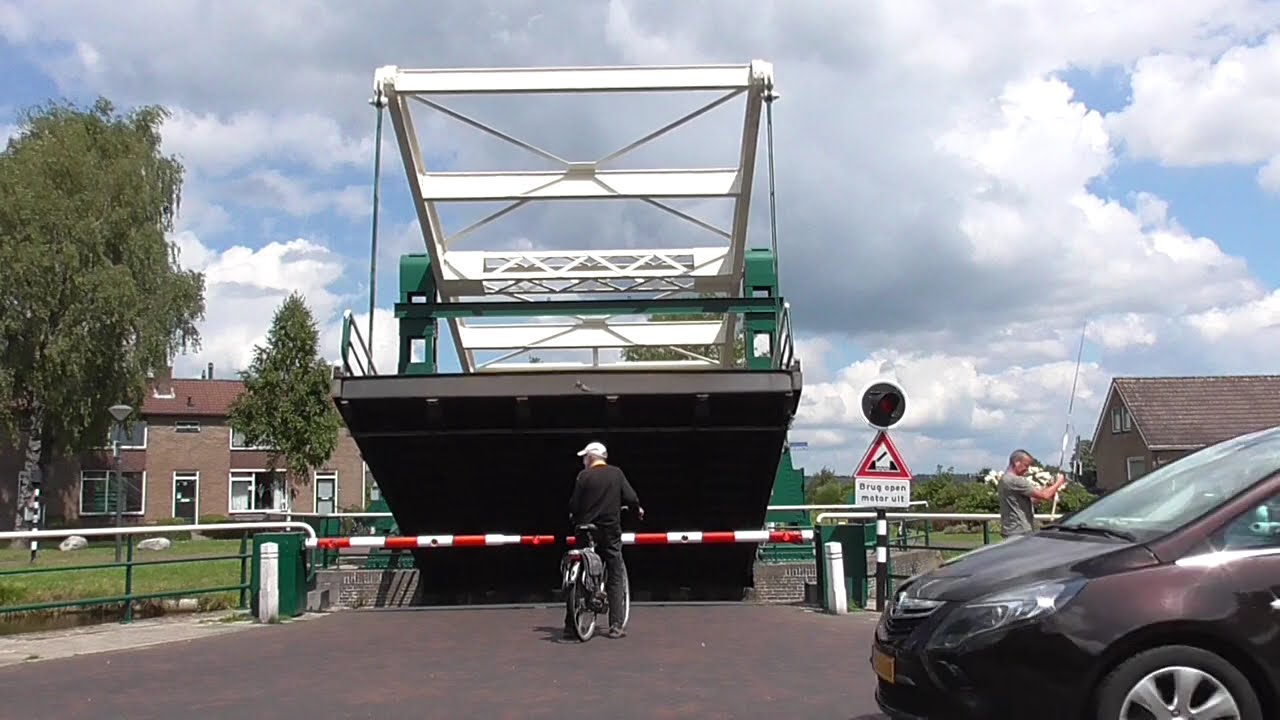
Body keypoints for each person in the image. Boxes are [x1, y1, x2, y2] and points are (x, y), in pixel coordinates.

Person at [564, 440, 643, 639]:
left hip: (585, 529)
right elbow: (631, 498)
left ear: (591, 457)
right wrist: (636, 511)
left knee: (581, 561)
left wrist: (575, 515)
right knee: (615, 569)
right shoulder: (616, 474)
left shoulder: (583, 476)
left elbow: (574, 505)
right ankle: (616, 625)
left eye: (584, 458)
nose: (583, 461)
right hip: (609, 530)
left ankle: (570, 626)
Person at [998, 449, 1068, 539]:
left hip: (1010, 530)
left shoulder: (1004, 479)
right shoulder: (1015, 481)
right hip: (1019, 531)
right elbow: (1044, 495)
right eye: (1026, 465)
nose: (1027, 469)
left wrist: (1049, 492)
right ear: (1017, 463)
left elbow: (1024, 500)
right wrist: (1059, 482)